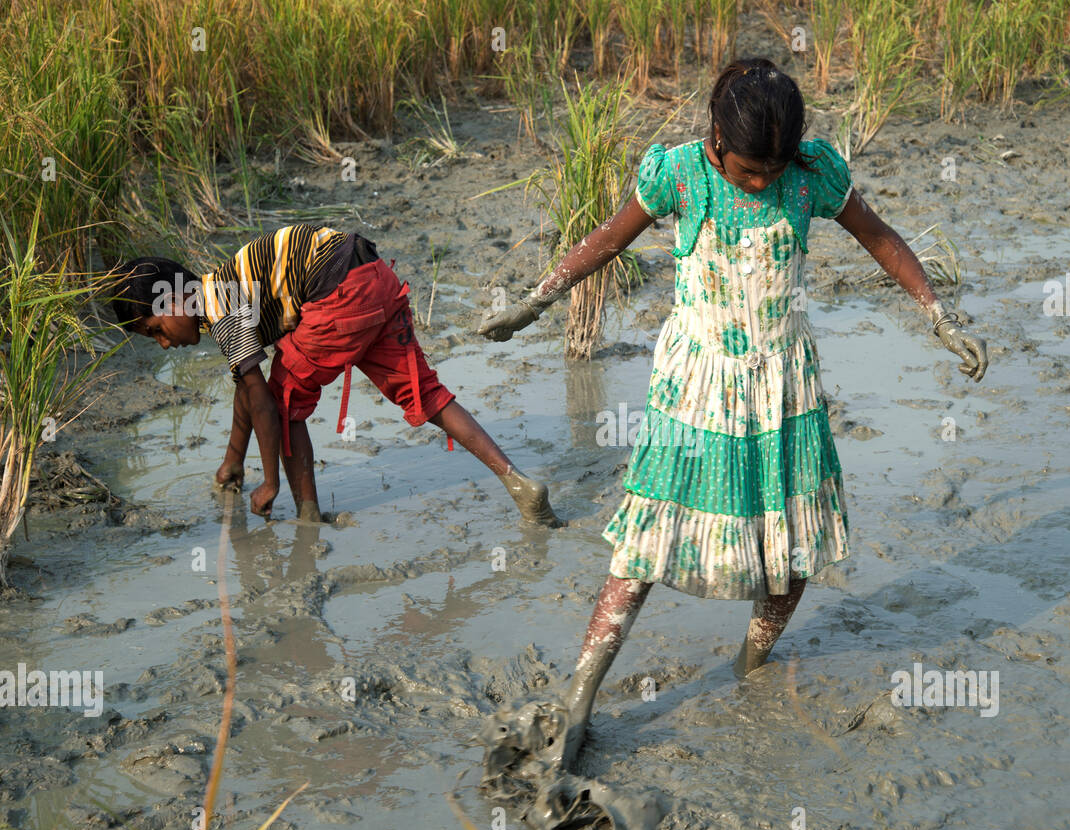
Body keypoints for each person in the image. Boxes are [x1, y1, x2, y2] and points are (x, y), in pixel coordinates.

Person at [480, 58, 989, 768]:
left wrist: (939, 314)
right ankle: (580, 700)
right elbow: (607, 239)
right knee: (644, 544)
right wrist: (534, 301)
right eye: (749, 171)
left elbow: (880, 238)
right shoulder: (679, 175)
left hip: (784, 390)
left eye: (771, 172)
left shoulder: (812, 176)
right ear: (716, 137)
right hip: (694, 387)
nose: (760, 183)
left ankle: (751, 667)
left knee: (793, 547)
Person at [108, 225, 560, 525]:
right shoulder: (224, 295)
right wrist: (233, 460)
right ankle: (519, 483)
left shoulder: (222, 306)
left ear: (172, 299)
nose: (164, 342)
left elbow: (263, 402)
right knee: (427, 394)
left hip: (338, 291)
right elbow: (245, 393)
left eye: (156, 330)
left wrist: (269, 482)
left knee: (284, 402)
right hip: (373, 276)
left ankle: (307, 521)